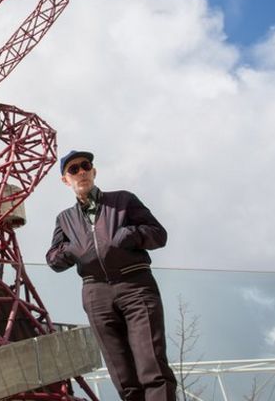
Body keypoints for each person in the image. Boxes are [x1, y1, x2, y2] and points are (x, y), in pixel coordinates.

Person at [46, 150, 176, 401]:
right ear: (65, 180)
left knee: (152, 365)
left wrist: (128, 235)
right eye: (73, 169)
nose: (81, 172)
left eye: (86, 166)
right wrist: (74, 249)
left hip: (135, 286)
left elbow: (159, 234)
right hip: (96, 294)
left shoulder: (123, 201)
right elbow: (53, 260)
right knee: (123, 375)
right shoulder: (65, 219)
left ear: (94, 171)